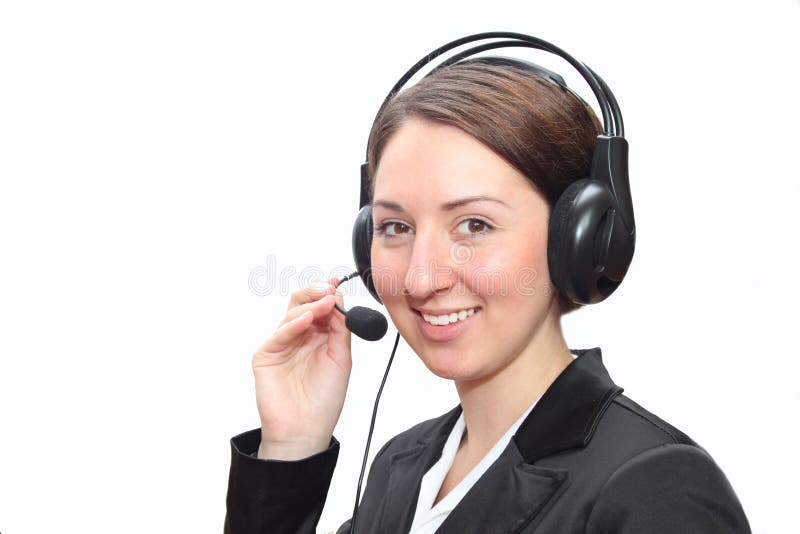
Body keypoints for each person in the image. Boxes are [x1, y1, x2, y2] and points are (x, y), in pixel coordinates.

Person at [224, 35, 751, 534]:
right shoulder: (400, 466)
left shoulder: (654, 487)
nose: (421, 278)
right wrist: (290, 448)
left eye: (474, 225)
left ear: (577, 240)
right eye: (396, 227)